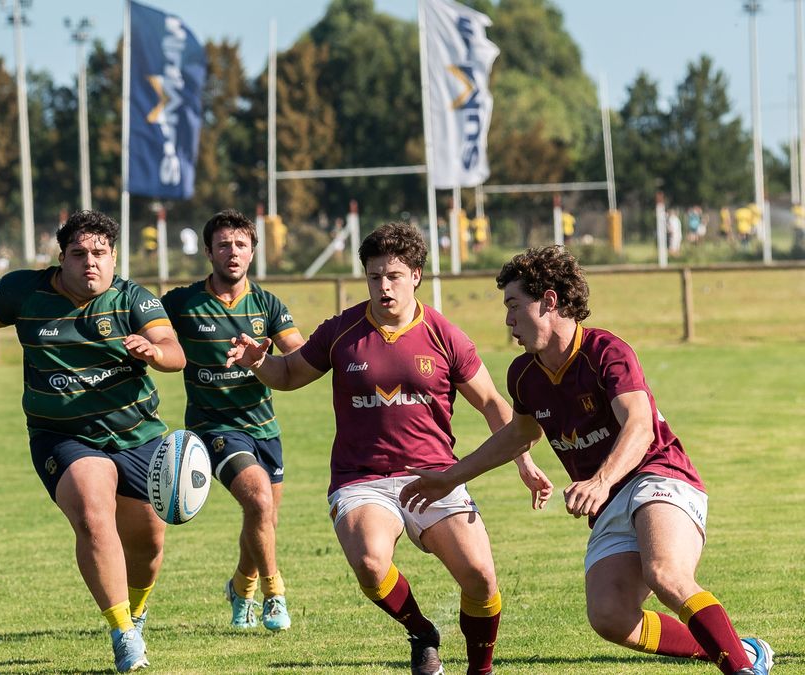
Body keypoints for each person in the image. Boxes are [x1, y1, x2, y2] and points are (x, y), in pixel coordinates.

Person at [400, 246, 774, 675]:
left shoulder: (605, 351)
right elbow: (520, 434)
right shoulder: (524, 374)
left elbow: (639, 426)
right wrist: (450, 477)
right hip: (610, 500)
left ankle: (741, 670)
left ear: (549, 301)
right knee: (610, 616)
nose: (508, 321)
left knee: (665, 573)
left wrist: (600, 481)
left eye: (514, 306)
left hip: (658, 476)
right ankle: (742, 652)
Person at [226, 222, 551, 675]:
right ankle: (422, 633)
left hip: (436, 476)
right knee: (370, 562)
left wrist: (524, 463)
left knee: (480, 576)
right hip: (362, 478)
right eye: (374, 276)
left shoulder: (444, 333)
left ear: (415, 275)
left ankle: (481, 670)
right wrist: (259, 361)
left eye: (394, 276)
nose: (384, 287)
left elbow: (493, 403)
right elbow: (288, 374)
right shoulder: (342, 330)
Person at [0, 210, 185, 673]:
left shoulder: (133, 299)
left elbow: (174, 351)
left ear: (113, 257)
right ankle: (123, 633)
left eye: (100, 253)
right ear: (61, 257)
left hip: (137, 434)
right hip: (62, 436)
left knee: (148, 545)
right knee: (91, 512)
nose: (90, 262)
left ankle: (137, 611)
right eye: (79, 253)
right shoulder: (22, 290)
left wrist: (154, 351)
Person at [161, 209, 305, 631]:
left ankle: (241, 588)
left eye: (241, 244)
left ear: (253, 252)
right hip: (214, 427)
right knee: (258, 500)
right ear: (209, 252)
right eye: (223, 245)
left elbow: (299, 356)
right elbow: (148, 325)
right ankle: (274, 595)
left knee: (265, 519)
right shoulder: (183, 302)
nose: (233, 252)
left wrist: (262, 358)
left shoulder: (267, 304)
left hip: (265, 427)